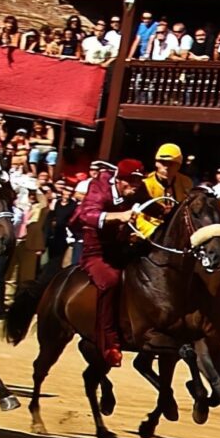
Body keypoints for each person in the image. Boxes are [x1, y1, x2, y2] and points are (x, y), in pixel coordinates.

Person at [72, 157, 146, 367]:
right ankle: (109, 342)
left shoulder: (135, 190)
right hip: (95, 252)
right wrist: (119, 216)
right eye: (131, 181)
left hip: (122, 247)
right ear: (119, 180)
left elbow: (151, 208)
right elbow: (88, 215)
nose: (136, 186)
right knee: (111, 280)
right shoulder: (99, 187)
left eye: (138, 181)